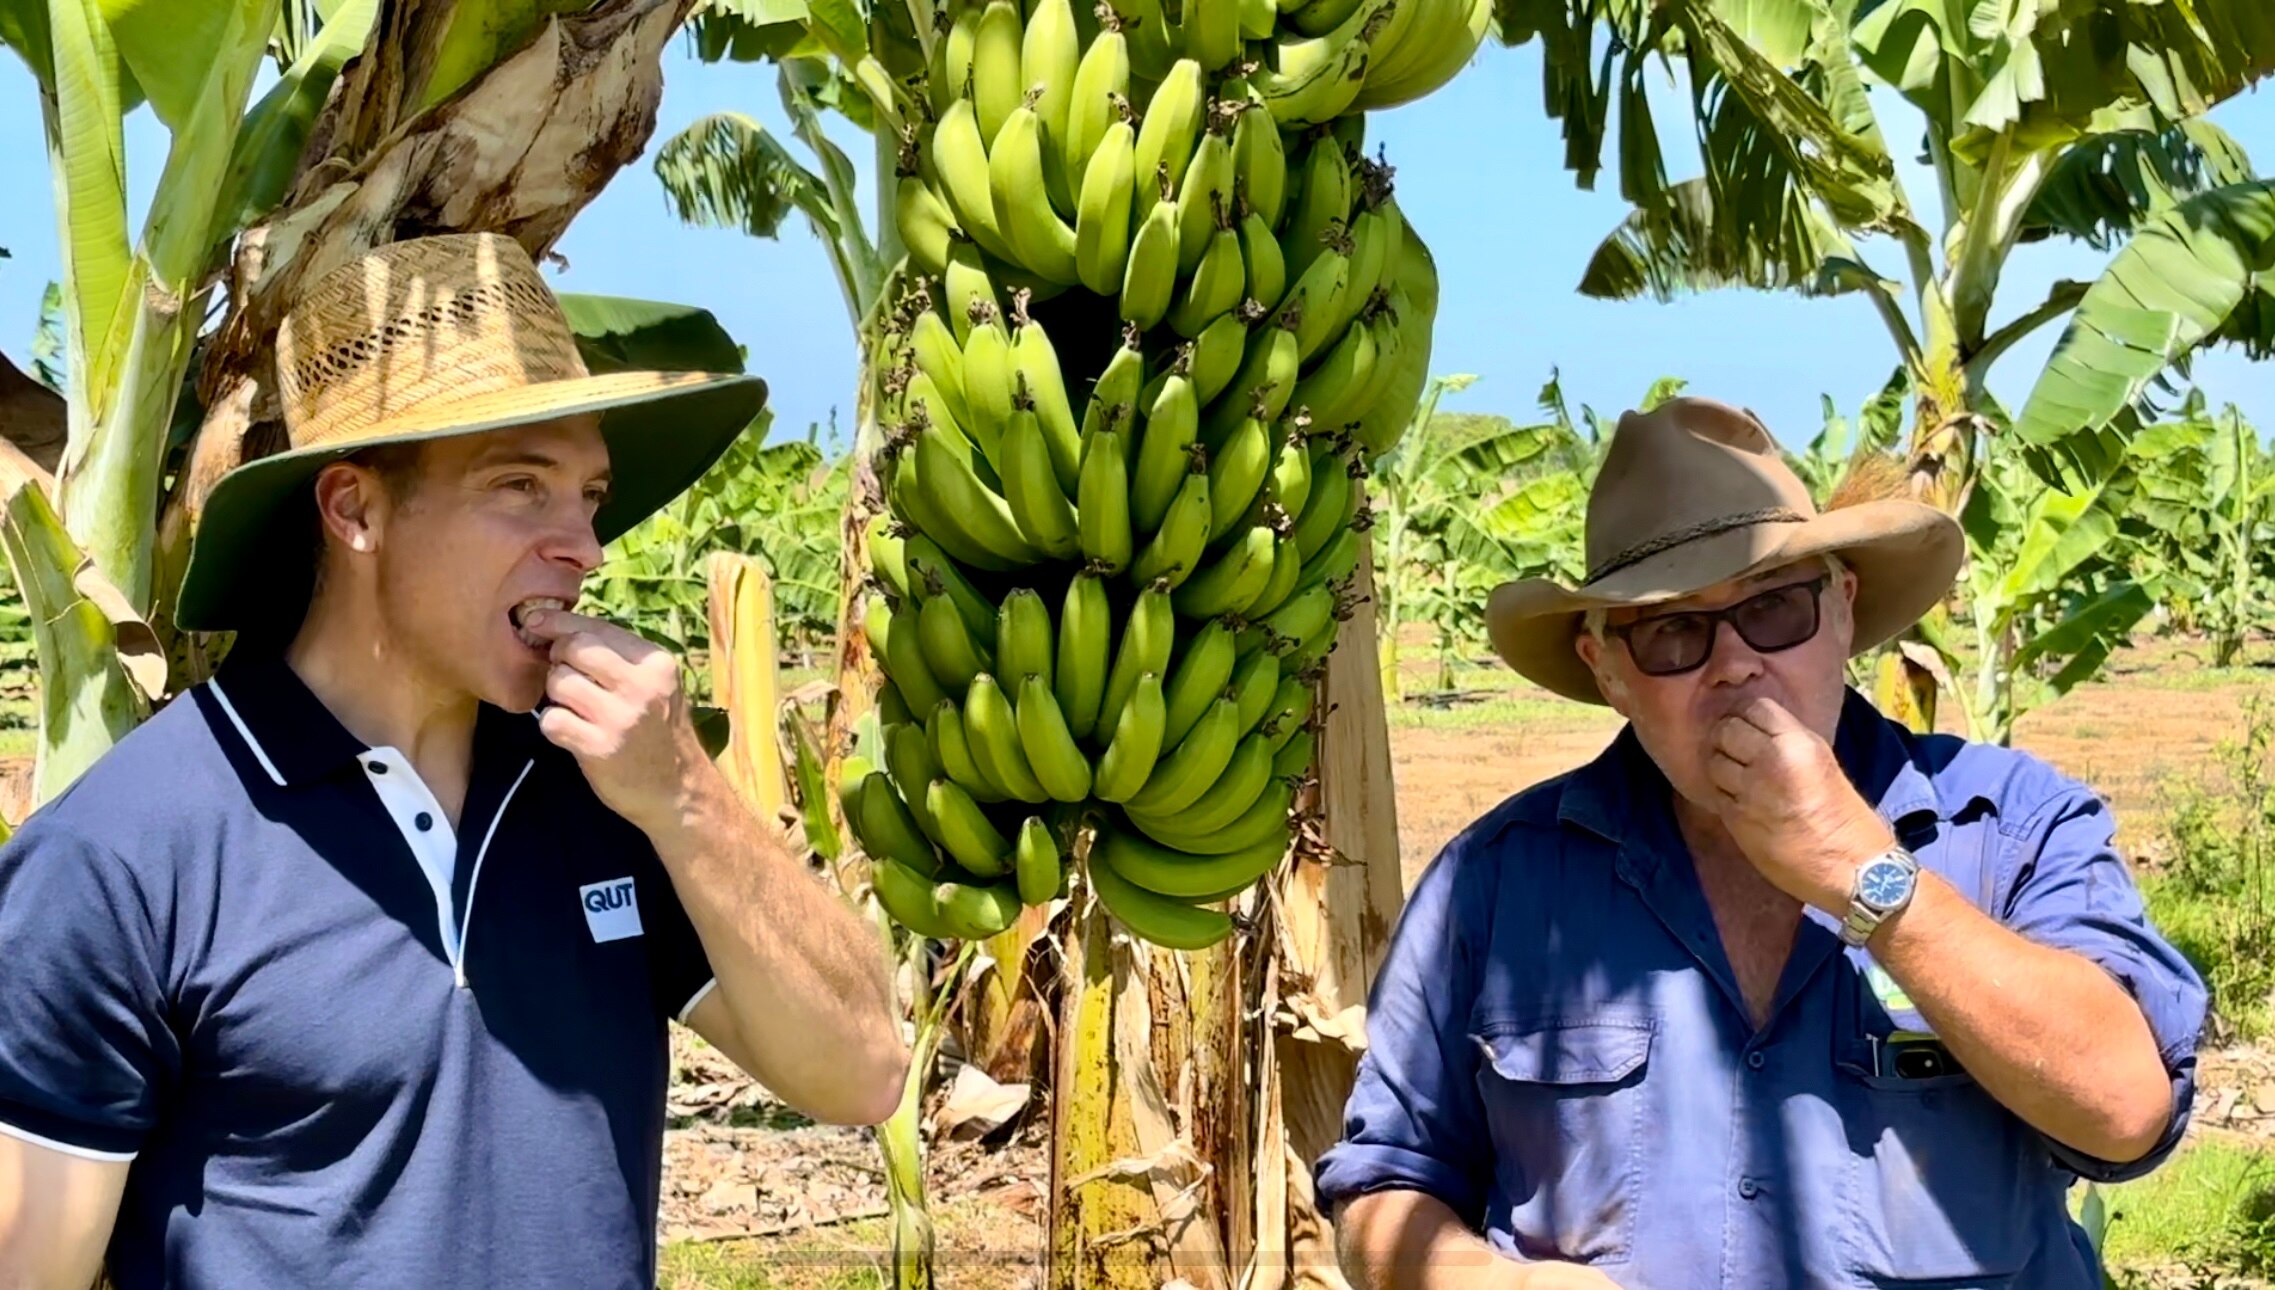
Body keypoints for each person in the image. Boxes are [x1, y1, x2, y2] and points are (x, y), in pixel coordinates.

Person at [0, 234, 908, 1290]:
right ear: (355, 510)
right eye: (520, 486)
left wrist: (690, 800)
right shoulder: (121, 856)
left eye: (590, 497)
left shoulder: (612, 792)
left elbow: (864, 1073)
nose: (583, 545)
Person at [1315, 397, 2206, 1288]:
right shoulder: (1499, 880)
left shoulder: (2008, 827)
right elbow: (1383, 1186)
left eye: (1774, 610)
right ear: (1606, 666)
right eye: (1674, 631)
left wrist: (1864, 872)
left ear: (1842, 611)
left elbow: (2124, 1110)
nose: (1735, 662)